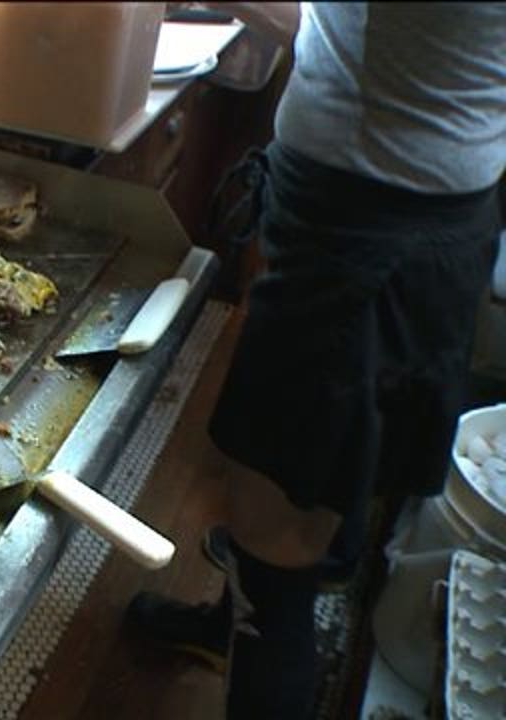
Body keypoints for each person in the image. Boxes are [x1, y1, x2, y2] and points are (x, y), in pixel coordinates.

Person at [127, 3, 506, 718]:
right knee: (319, 486)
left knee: (281, 546)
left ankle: (257, 611)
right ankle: (229, 619)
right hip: (438, 217)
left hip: (361, 243)